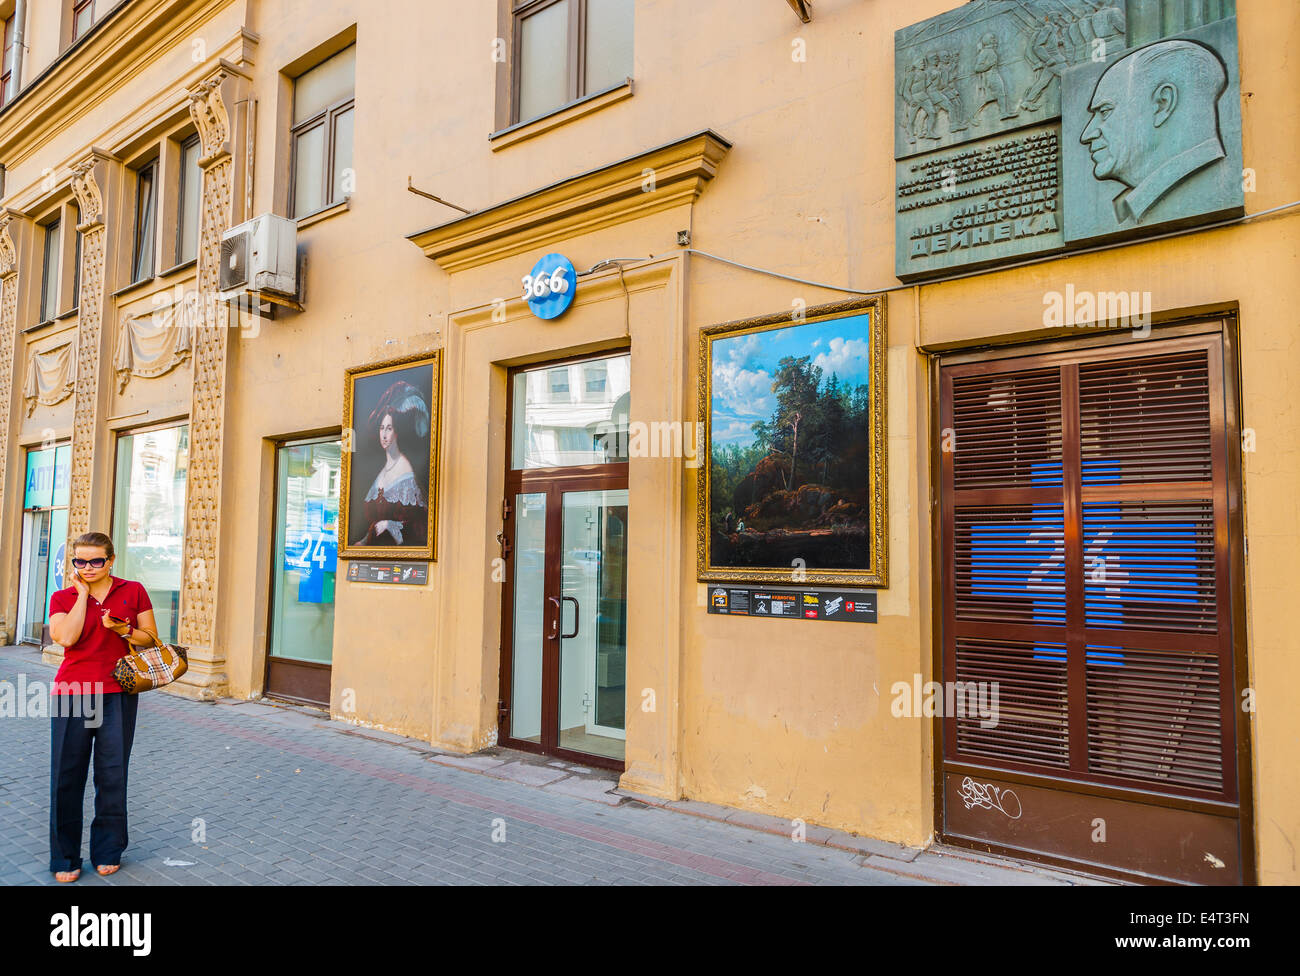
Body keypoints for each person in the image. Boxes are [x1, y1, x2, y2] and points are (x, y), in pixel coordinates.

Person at [46, 531, 158, 883]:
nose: (88, 567)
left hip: (118, 692)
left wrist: (124, 630)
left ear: (111, 560)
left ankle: (108, 850)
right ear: (74, 563)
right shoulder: (63, 596)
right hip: (73, 692)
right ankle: (65, 856)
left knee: (112, 774)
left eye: (96, 560)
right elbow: (66, 637)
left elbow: (150, 639)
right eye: (81, 561)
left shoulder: (133, 590)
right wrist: (82, 596)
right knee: (66, 776)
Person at [1079, 39, 1229, 225]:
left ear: (1162, 104)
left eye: (1105, 112)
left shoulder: (1214, 190)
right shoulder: (1130, 206)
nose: (1086, 135)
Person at [352, 380, 430, 547]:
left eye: (389, 428)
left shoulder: (405, 468)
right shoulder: (382, 470)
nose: (384, 434)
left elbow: (420, 524)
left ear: (397, 432)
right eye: (382, 428)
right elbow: (374, 523)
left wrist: (389, 525)